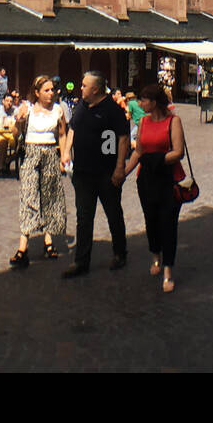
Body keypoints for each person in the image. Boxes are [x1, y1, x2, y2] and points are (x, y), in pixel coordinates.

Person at [122, 83, 187, 293]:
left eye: (144, 99)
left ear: (155, 101)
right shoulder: (143, 122)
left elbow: (178, 152)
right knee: (151, 220)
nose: (140, 103)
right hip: (147, 180)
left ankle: (168, 270)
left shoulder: (173, 121)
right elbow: (138, 152)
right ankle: (156, 257)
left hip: (168, 179)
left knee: (168, 224)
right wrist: (123, 173)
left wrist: (155, 159)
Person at [63, 71, 129, 277]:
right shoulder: (81, 106)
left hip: (106, 172)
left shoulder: (112, 109)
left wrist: (120, 168)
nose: (80, 88)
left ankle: (120, 253)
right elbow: (72, 128)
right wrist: (66, 150)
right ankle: (81, 261)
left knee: (113, 214)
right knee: (84, 217)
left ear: (96, 89)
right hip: (82, 172)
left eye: (84, 85)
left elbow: (123, 137)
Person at [10, 75, 69, 266]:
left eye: (52, 90)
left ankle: (48, 242)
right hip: (31, 154)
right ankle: (23, 247)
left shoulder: (58, 110)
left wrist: (64, 156)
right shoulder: (27, 109)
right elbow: (15, 133)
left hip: (50, 154)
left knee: (50, 197)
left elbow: (62, 134)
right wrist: (19, 120)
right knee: (28, 197)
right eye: (46, 90)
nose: (51, 93)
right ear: (37, 93)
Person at [0, 92, 20, 173]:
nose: (9, 103)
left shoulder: (15, 111)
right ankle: (2, 167)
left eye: (10, 101)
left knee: (20, 144)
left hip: (10, 135)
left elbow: (18, 125)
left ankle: (9, 159)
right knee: (3, 142)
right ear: (3, 101)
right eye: (7, 101)